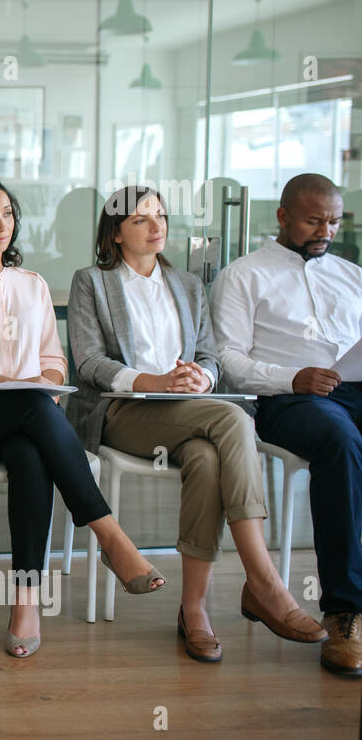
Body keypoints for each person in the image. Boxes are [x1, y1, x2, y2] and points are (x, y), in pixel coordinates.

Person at [66, 186, 325, 663]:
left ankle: (194, 611)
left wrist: (196, 377)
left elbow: (208, 354)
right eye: (141, 219)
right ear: (116, 234)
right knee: (232, 419)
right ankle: (264, 581)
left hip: (187, 414)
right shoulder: (92, 281)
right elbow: (89, 362)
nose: (156, 226)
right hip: (122, 411)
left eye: (161, 216)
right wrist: (156, 381)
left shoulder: (186, 284)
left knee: (207, 459)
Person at [0, 177, 166, 658]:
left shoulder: (32, 284)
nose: (2, 226)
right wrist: (2, 381)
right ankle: (109, 535)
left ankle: (25, 602)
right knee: (32, 406)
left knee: (29, 455)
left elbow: (54, 359)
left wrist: (47, 385)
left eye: (8, 214)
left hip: (29, 417)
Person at [210, 172, 362, 677]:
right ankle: (345, 611)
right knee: (339, 441)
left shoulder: (351, 274)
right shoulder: (243, 275)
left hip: (353, 389)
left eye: (334, 221)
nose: (327, 230)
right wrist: (292, 377)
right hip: (286, 399)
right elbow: (228, 360)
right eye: (315, 219)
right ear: (282, 217)